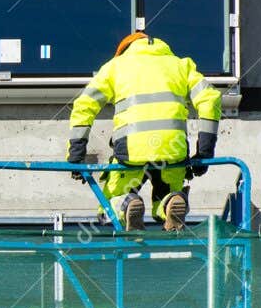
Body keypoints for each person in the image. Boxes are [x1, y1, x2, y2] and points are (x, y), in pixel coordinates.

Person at [66, 33, 222, 231]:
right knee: (167, 192)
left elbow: (84, 105)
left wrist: (76, 153)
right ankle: (170, 202)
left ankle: (126, 204)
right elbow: (210, 98)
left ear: (124, 50)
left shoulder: (116, 66)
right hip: (172, 151)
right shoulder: (182, 65)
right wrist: (205, 151)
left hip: (131, 151)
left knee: (109, 204)